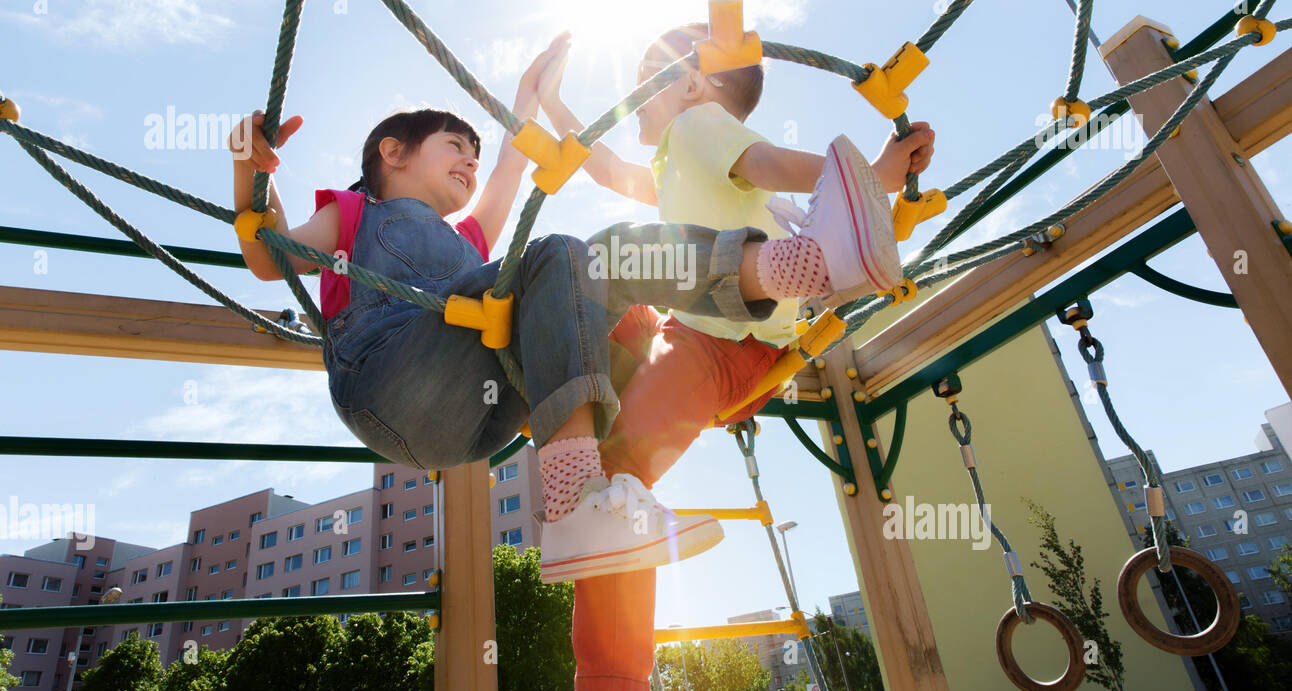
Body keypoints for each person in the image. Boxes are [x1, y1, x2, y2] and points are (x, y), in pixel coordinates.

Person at [225, 35, 893, 586]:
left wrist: (529, 100)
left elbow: (515, 167)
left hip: (473, 420)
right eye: (454, 145)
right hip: (389, 379)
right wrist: (252, 175)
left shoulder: (471, 244)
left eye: (473, 152)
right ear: (391, 154)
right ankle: (575, 499)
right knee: (558, 254)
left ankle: (801, 265)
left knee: (595, 263)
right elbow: (269, 255)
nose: (470, 159)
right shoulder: (354, 214)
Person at [533, 23, 936, 691]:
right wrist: (552, 101)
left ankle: (612, 679)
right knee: (611, 464)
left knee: (609, 480)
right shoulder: (674, 162)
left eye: (645, 81)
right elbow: (602, 166)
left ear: (693, 83)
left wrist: (870, 175)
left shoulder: (695, 128)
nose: (634, 98)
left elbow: (770, 163)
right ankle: (611, 670)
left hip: (718, 346)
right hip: (721, 348)